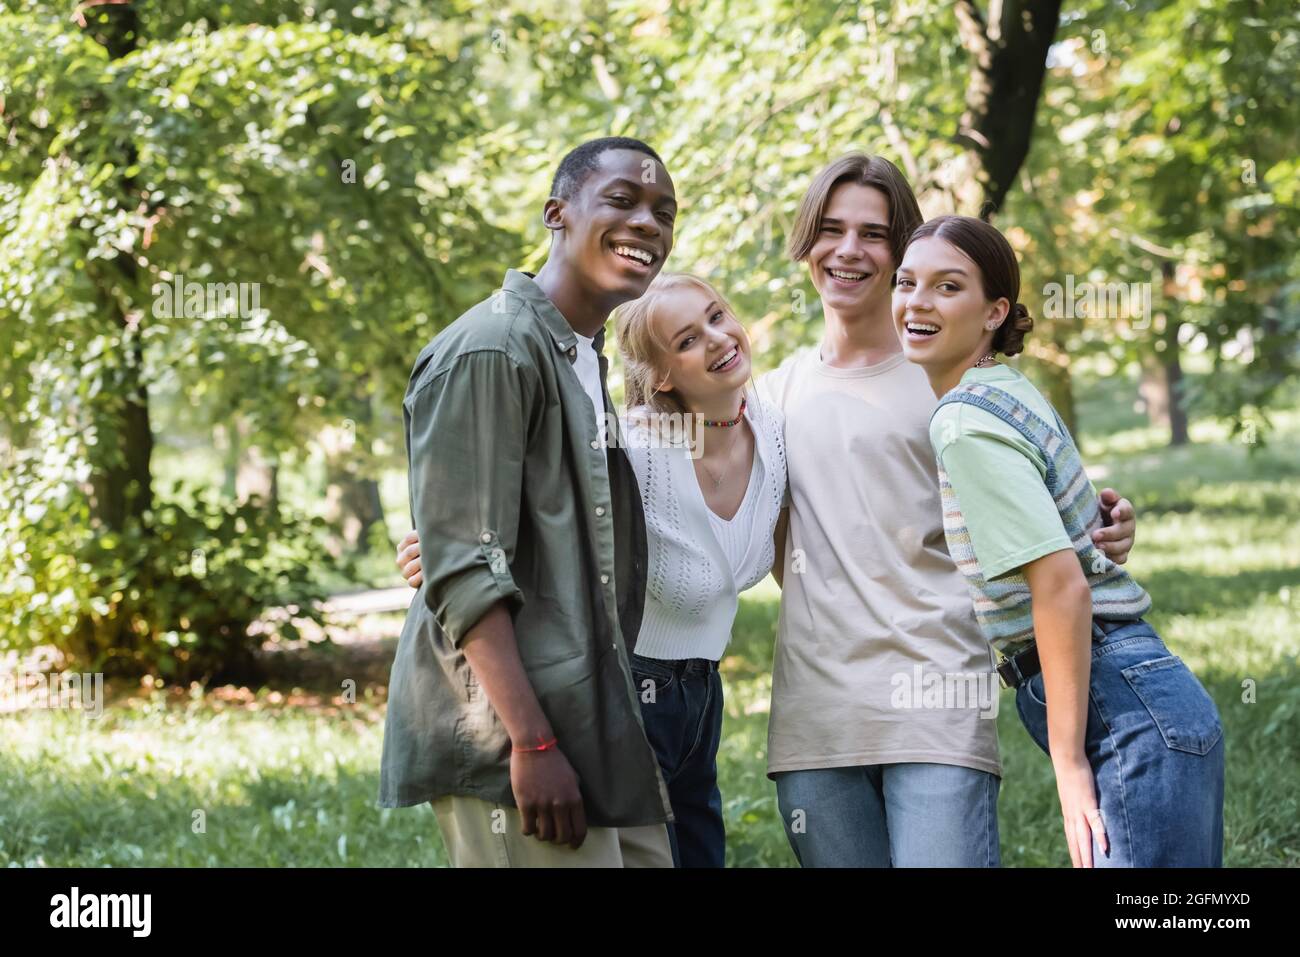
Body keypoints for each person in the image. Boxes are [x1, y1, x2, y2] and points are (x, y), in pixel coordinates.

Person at [757, 154, 1139, 867]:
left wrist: (1106, 524)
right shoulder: (772, 395)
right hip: (816, 714)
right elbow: (758, 540)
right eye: (831, 229)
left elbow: (1042, 509)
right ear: (807, 243)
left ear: (903, 249)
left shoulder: (949, 378)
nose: (848, 250)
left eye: (873, 234)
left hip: (938, 696)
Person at [378, 136, 680, 867]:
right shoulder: (493, 349)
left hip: (592, 718)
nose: (648, 223)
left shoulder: (579, 354)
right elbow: (465, 564)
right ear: (557, 213)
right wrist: (531, 740)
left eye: (664, 213)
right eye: (622, 200)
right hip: (509, 730)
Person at [895, 214, 1225, 867]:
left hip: (1119, 700)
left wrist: (1068, 761)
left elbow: (1061, 584)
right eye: (907, 282)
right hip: (1148, 690)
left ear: (994, 312)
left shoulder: (964, 420)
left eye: (947, 286)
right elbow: (1076, 529)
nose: (917, 301)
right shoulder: (1004, 392)